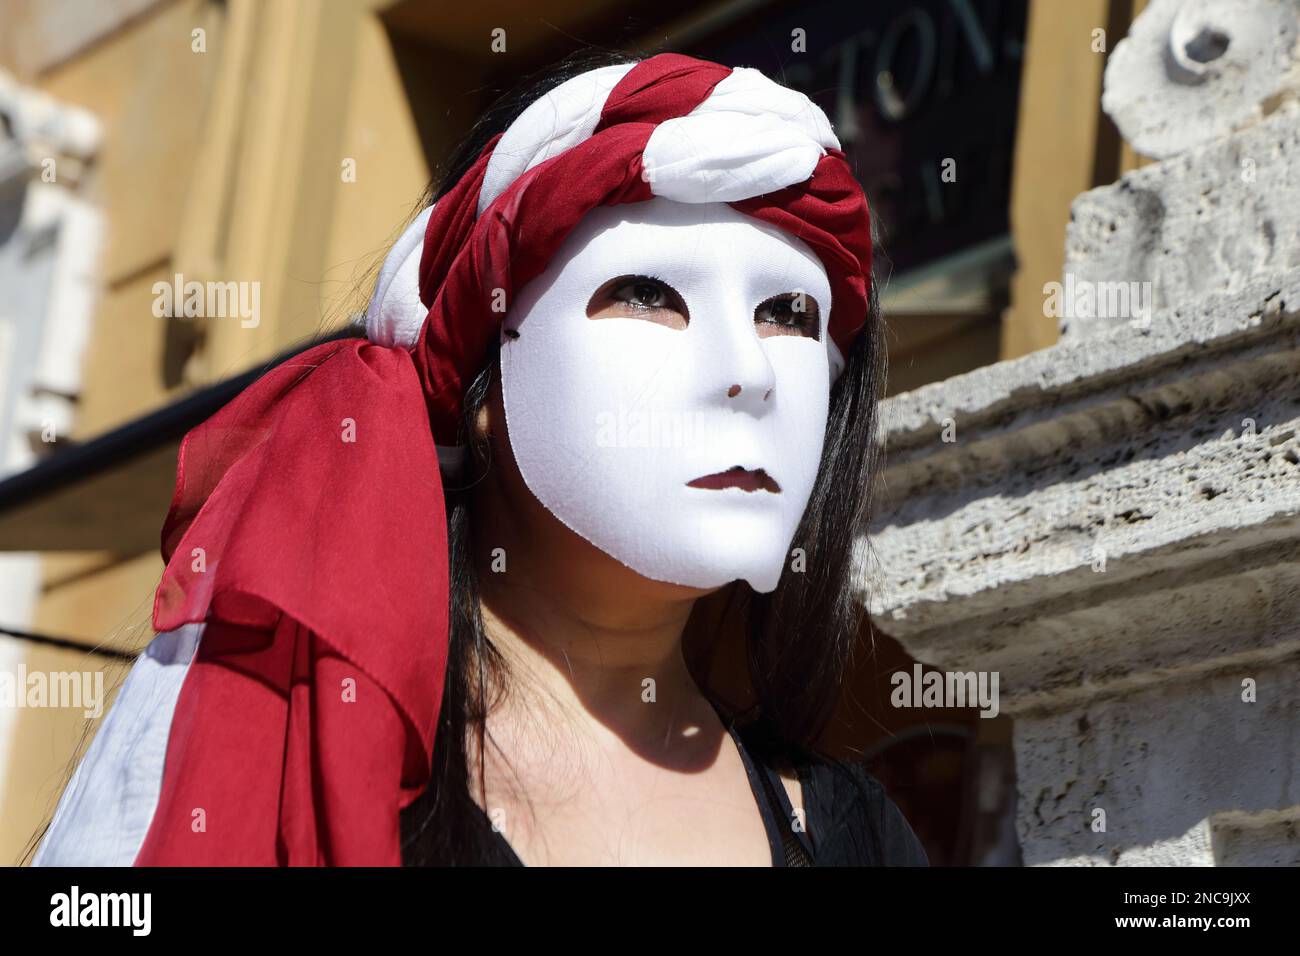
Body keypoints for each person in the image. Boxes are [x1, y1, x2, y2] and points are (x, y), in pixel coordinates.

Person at [33, 50, 927, 867]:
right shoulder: (306, 751)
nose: (748, 374)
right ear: (485, 386)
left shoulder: (861, 840)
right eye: (648, 295)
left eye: (789, 316)